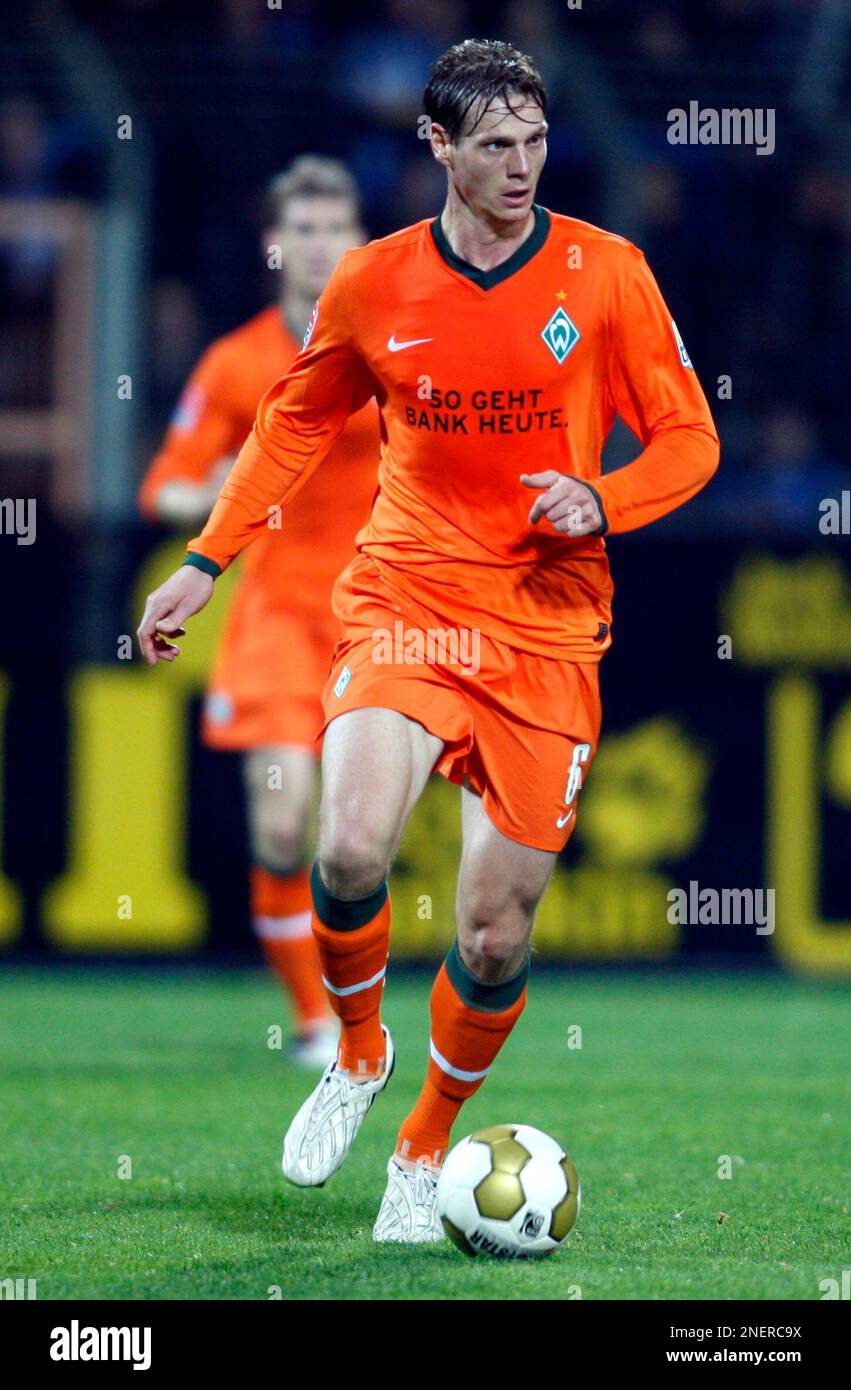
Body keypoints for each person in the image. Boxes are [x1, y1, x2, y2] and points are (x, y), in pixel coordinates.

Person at [138, 39, 719, 1241]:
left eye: (536, 142)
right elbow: (290, 433)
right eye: (494, 146)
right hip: (404, 593)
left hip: (549, 622)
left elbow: (689, 439)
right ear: (438, 146)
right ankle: (356, 1050)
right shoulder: (373, 283)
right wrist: (204, 563)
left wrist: (602, 498)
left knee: (492, 930)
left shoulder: (604, 273)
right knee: (347, 847)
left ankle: (422, 1142)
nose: (521, 167)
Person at [138, 157, 378, 1067]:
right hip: (278, 616)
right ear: (276, 245)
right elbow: (162, 486)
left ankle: (389, 1011)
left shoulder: (391, 345)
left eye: (337, 228)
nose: (322, 246)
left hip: (383, 616)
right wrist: (208, 494)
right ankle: (317, 1023)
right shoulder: (235, 363)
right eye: (305, 230)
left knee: (357, 841)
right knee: (282, 825)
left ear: (360, 240)